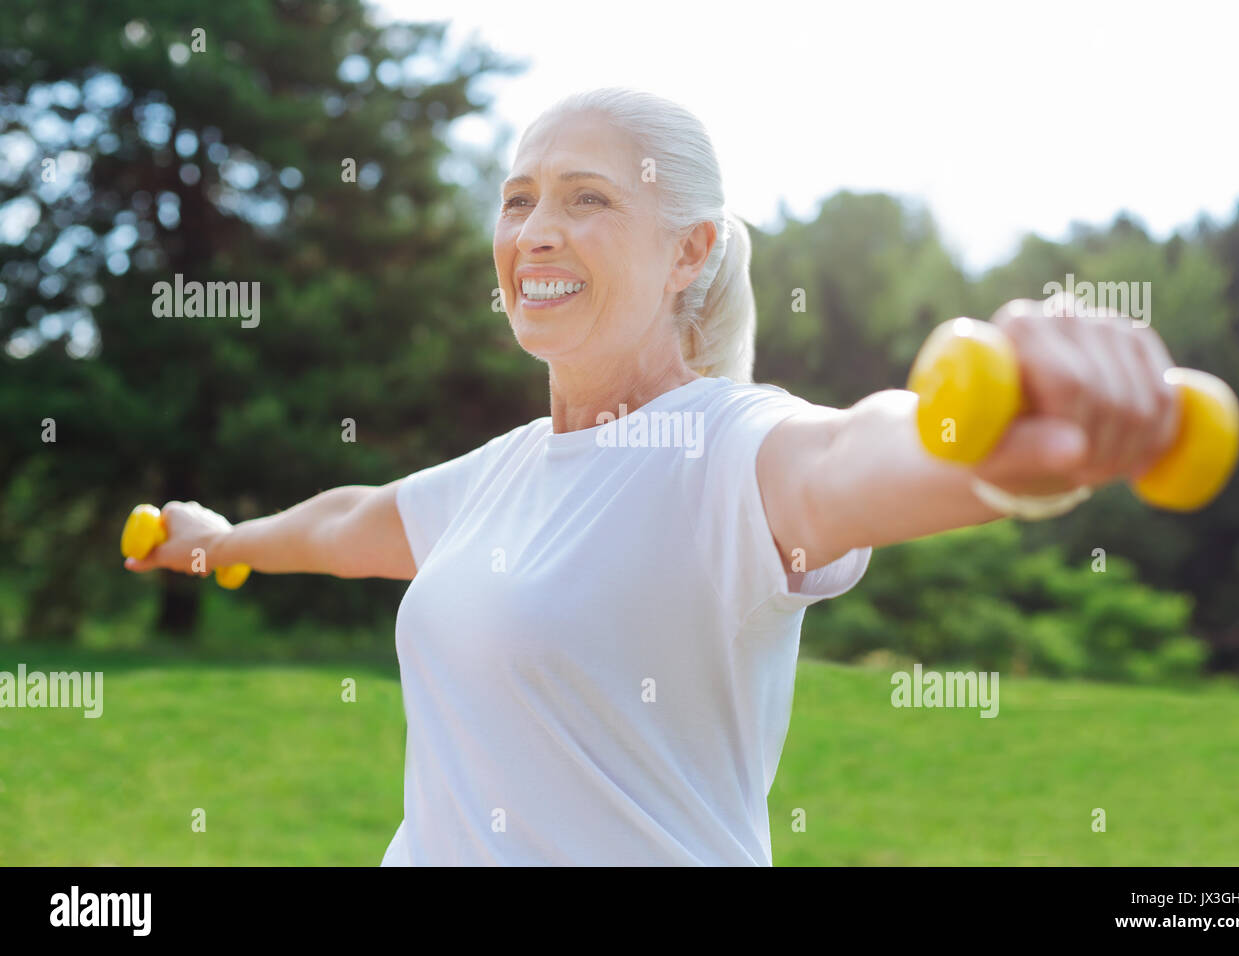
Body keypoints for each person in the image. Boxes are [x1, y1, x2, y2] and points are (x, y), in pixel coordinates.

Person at [125, 87, 1180, 865]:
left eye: (587, 200)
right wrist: (220, 538)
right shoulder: (500, 475)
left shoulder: (731, 453)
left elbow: (861, 451)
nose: (536, 231)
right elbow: (350, 522)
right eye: (519, 199)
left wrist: (1011, 435)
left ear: (691, 252)